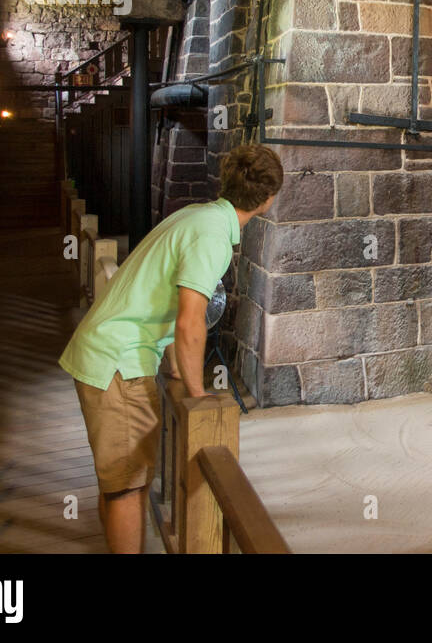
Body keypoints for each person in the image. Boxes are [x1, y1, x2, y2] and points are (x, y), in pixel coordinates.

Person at [59, 143, 283, 553]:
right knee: (127, 488)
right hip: (119, 361)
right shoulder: (213, 236)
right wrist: (197, 394)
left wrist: (178, 368)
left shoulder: (197, 215)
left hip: (106, 351)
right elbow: (190, 319)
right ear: (269, 200)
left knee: (119, 483)